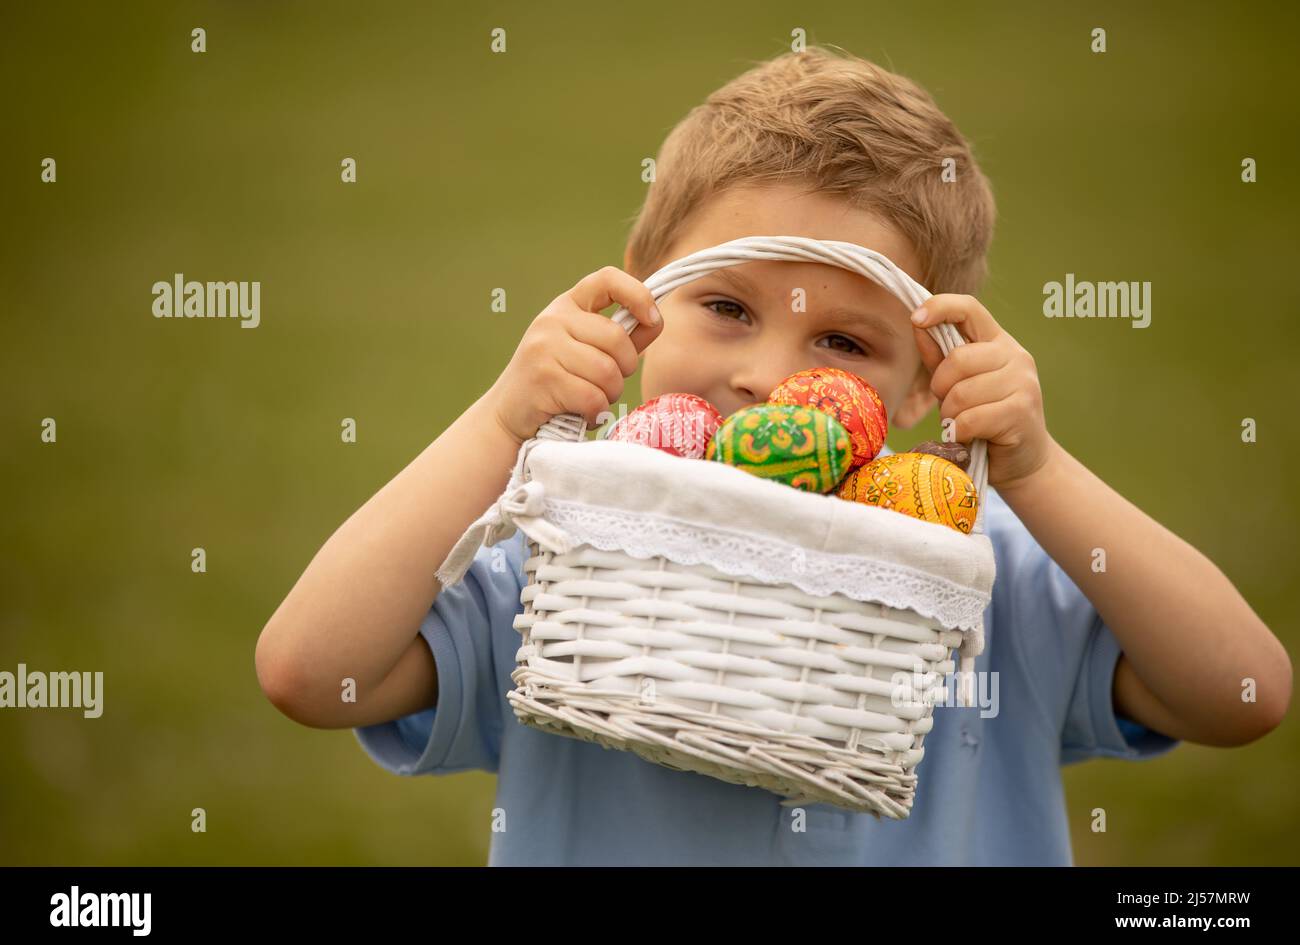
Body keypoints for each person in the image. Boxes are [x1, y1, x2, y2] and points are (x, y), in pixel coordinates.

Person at [255, 45, 1290, 865]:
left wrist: (1039, 470)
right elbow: (309, 670)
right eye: (726, 306)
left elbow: (1243, 692)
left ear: (930, 379)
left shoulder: (974, 570)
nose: (769, 377)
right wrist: (497, 427)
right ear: (640, 295)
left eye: (842, 341)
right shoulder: (570, 546)